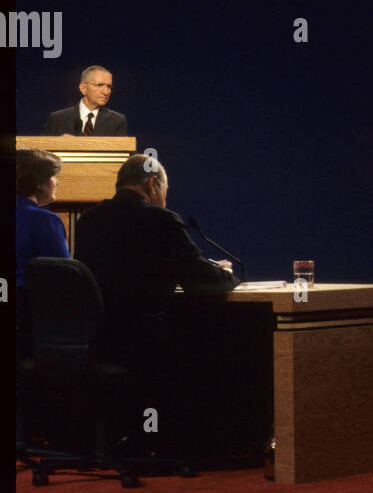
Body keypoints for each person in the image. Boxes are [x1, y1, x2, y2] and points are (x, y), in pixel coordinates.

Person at [75, 153, 235, 366]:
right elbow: (201, 280)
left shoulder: (88, 219)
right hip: (147, 346)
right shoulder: (161, 219)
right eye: (165, 191)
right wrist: (227, 274)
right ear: (153, 184)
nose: (165, 200)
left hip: (97, 342)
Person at [15, 148, 70, 286]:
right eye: (53, 176)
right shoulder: (45, 221)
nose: (57, 182)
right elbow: (63, 275)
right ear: (39, 182)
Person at [44, 65, 128, 135]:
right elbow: (42, 152)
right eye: (100, 85)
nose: (106, 92)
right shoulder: (57, 119)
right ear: (83, 88)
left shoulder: (117, 121)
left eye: (109, 87)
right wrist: (60, 143)